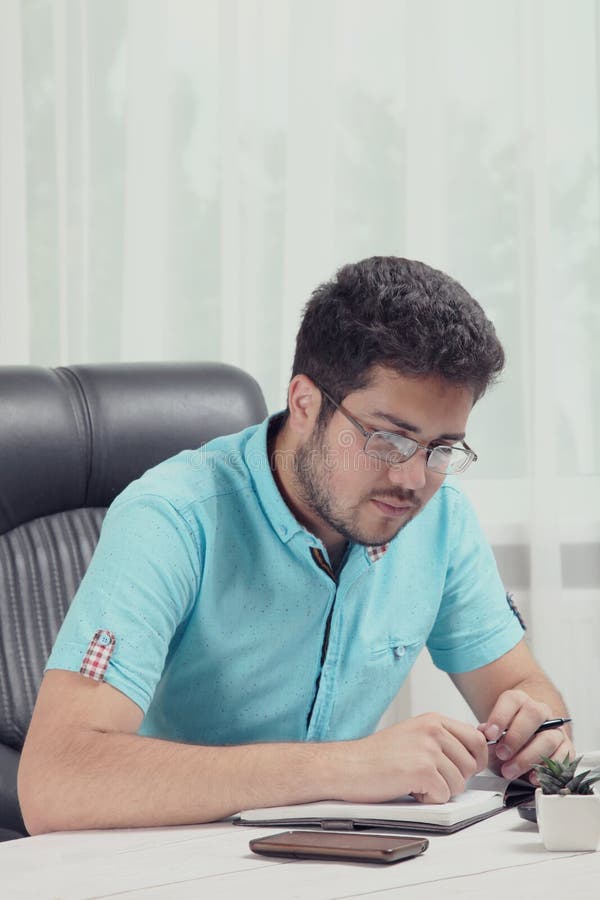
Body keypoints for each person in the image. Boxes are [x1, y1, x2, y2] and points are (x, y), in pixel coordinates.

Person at [18, 256, 573, 834]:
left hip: (336, 864)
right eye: (388, 439)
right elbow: (55, 782)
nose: (413, 480)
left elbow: (521, 689)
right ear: (305, 403)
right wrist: (344, 768)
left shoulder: (441, 520)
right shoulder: (172, 516)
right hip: (167, 865)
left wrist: (538, 728)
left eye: (441, 449)